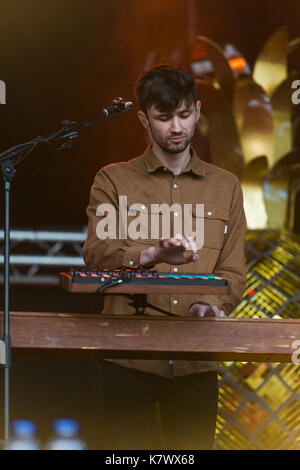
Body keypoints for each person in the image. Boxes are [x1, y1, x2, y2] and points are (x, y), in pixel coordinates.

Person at [82, 64, 247, 450]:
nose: (177, 127)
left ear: (198, 111)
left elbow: (234, 272)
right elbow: (95, 256)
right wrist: (152, 253)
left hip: (197, 361)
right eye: (164, 117)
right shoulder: (112, 180)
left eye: (185, 115)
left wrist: (213, 303)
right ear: (143, 118)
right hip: (127, 360)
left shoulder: (227, 186)